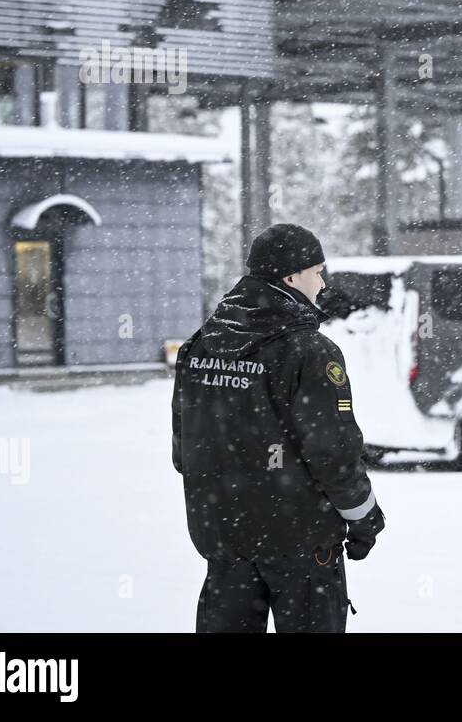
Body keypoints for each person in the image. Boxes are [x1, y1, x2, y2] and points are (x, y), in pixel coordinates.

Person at [171, 223, 385, 632]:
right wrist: (364, 518)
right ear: (291, 277)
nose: (322, 283)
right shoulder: (310, 351)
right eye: (316, 271)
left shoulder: (199, 347)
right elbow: (333, 452)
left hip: (224, 541)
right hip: (300, 545)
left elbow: (185, 450)